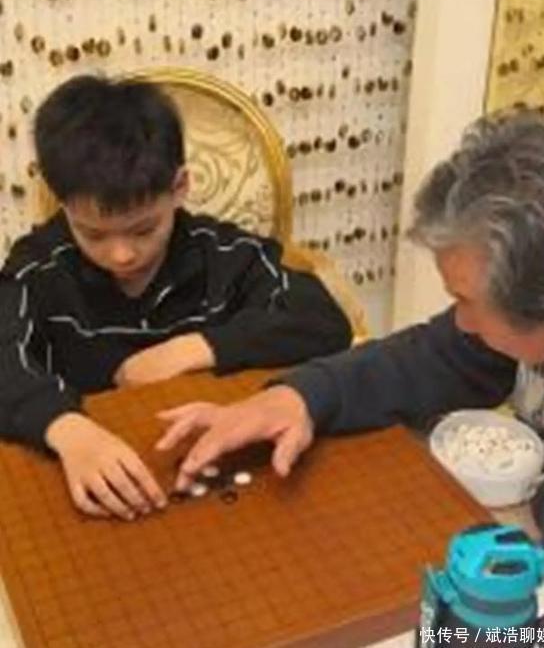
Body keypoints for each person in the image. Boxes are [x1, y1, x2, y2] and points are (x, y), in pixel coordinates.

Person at [156, 113, 544, 595]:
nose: (460, 321)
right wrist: (299, 398)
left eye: (466, 301)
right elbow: (431, 358)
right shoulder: (528, 319)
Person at [0, 75, 352, 521]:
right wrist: (68, 431)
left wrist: (195, 348)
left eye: (143, 229)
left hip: (207, 461)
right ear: (62, 203)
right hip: (91, 464)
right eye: (93, 234)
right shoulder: (38, 267)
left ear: (180, 186)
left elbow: (322, 320)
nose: (122, 254)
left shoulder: (222, 253)